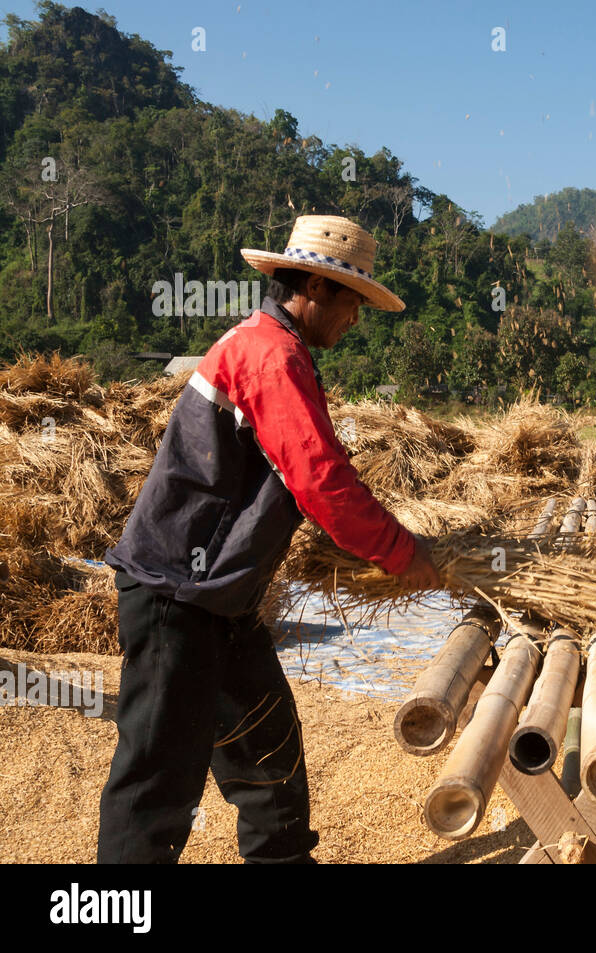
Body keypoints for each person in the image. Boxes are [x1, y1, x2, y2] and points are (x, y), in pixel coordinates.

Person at [98, 215, 442, 863]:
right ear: (312, 285)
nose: (356, 320)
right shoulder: (270, 354)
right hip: (177, 596)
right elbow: (320, 479)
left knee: (267, 746)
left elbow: (303, 477)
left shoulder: (278, 349)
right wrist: (406, 554)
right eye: (351, 301)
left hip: (223, 602)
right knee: (157, 780)